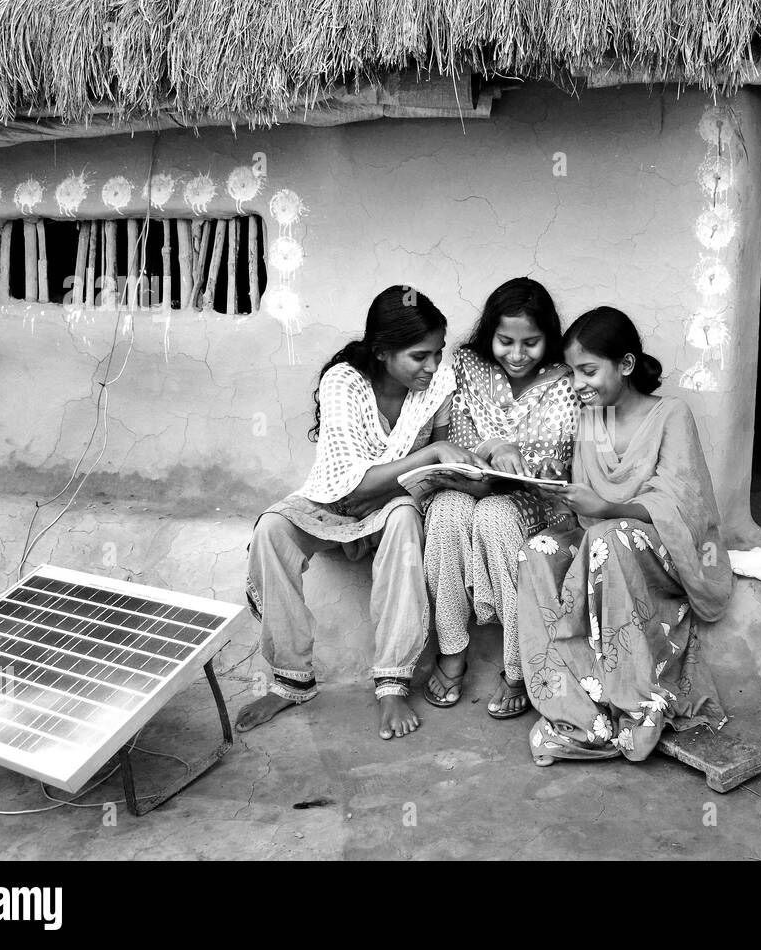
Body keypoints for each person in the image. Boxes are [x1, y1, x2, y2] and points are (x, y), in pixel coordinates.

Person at [239, 285, 488, 739]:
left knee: (403, 520)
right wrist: (427, 455)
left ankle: (392, 683)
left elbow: (440, 468)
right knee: (273, 528)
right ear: (382, 352)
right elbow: (348, 486)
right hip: (332, 503)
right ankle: (290, 680)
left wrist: (428, 470)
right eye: (418, 356)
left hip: (395, 504)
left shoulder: (438, 386)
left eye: (437, 352)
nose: (431, 366)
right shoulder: (344, 382)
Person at [516, 306, 734, 765]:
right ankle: (578, 715)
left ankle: (637, 706)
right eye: (573, 372)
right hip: (599, 542)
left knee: (610, 537)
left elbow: (683, 507)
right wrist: (560, 488)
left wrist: (608, 509)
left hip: (658, 553)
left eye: (588, 370)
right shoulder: (590, 420)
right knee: (536, 552)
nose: (577, 384)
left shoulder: (671, 413)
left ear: (627, 365)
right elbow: (583, 515)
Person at [422, 277, 579, 718]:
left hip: (533, 501)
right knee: (449, 511)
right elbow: (457, 440)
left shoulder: (562, 380)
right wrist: (495, 448)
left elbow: (553, 460)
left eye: (530, 343)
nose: (516, 354)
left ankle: (517, 666)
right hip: (464, 487)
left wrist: (505, 452)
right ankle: (452, 650)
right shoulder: (467, 365)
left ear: (548, 339)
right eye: (505, 341)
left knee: (493, 516)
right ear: (489, 333)